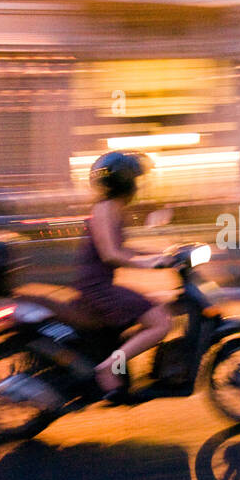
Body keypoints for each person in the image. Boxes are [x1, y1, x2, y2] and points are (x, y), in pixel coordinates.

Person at [73, 151, 171, 403]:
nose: (138, 186)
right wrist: (150, 263)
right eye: (135, 180)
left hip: (100, 286)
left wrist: (164, 255)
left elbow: (123, 250)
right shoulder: (105, 208)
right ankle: (108, 367)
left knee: (159, 306)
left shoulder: (112, 208)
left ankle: (122, 364)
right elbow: (110, 255)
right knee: (160, 322)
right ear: (125, 181)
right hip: (97, 289)